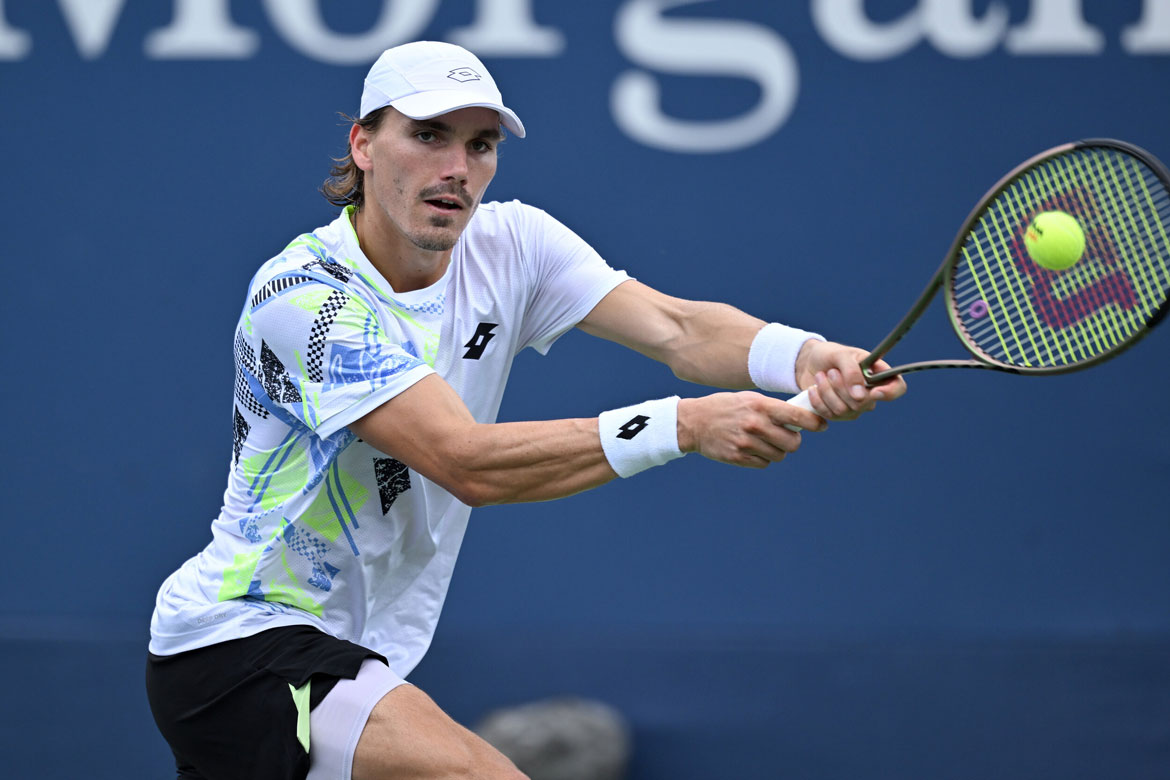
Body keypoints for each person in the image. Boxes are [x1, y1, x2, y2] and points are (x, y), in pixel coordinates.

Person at [145, 40, 906, 780]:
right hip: (240, 641)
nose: (455, 168)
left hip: (353, 644)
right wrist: (686, 425)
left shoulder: (514, 245)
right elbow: (463, 461)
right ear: (364, 144)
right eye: (428, 135)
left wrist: (803, 356)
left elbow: (677, 328)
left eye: (479, 145)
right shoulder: (307, 298)